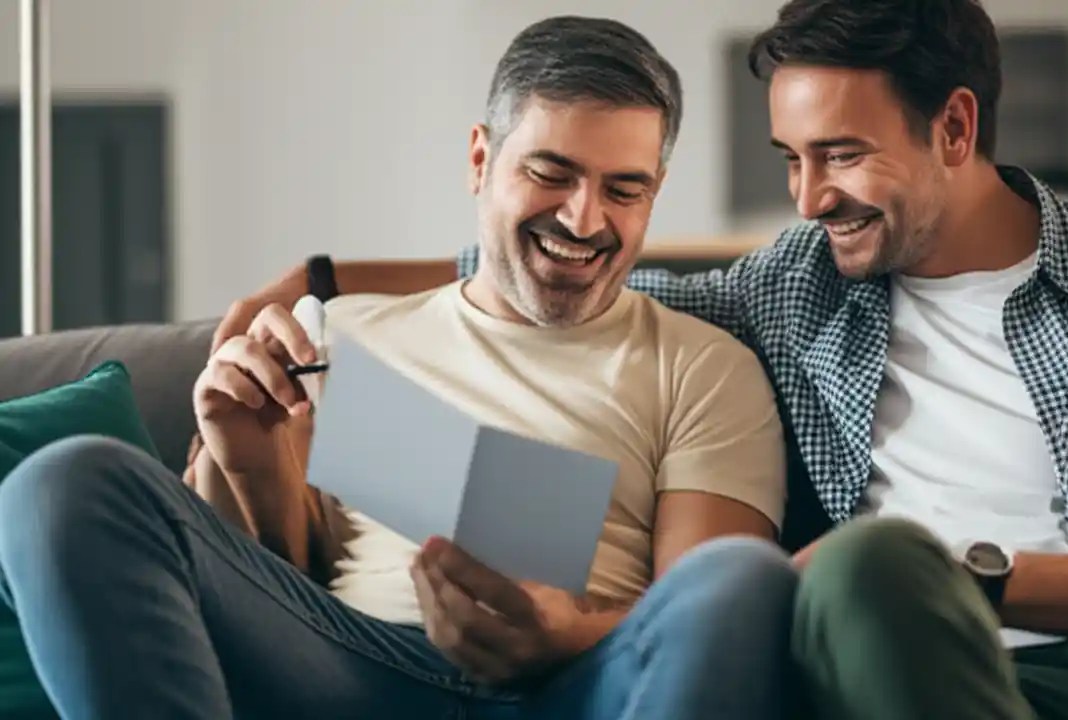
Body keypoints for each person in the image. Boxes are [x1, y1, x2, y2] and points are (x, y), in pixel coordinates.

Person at [222, 1, 1068, 718]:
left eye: (841, 156)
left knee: (883, 564)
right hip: (891, 660)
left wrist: (970, 580)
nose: (808, 197)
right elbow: (567, 256)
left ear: (954, 128)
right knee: (868, 569)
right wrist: (314, 282)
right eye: (790, 159)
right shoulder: (792, 284)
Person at [0, 16, 800, 720]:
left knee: (742, 579)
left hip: (587, 681)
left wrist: (564, 633)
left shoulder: (703, 367)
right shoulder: (339, 336)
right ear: (480, 158)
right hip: (352, 663)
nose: (583, 218)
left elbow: (704, 602)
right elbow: (279, 582)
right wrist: (247, 458)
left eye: (623, 189)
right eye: (550, 173)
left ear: (655, 193)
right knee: (62, 481)